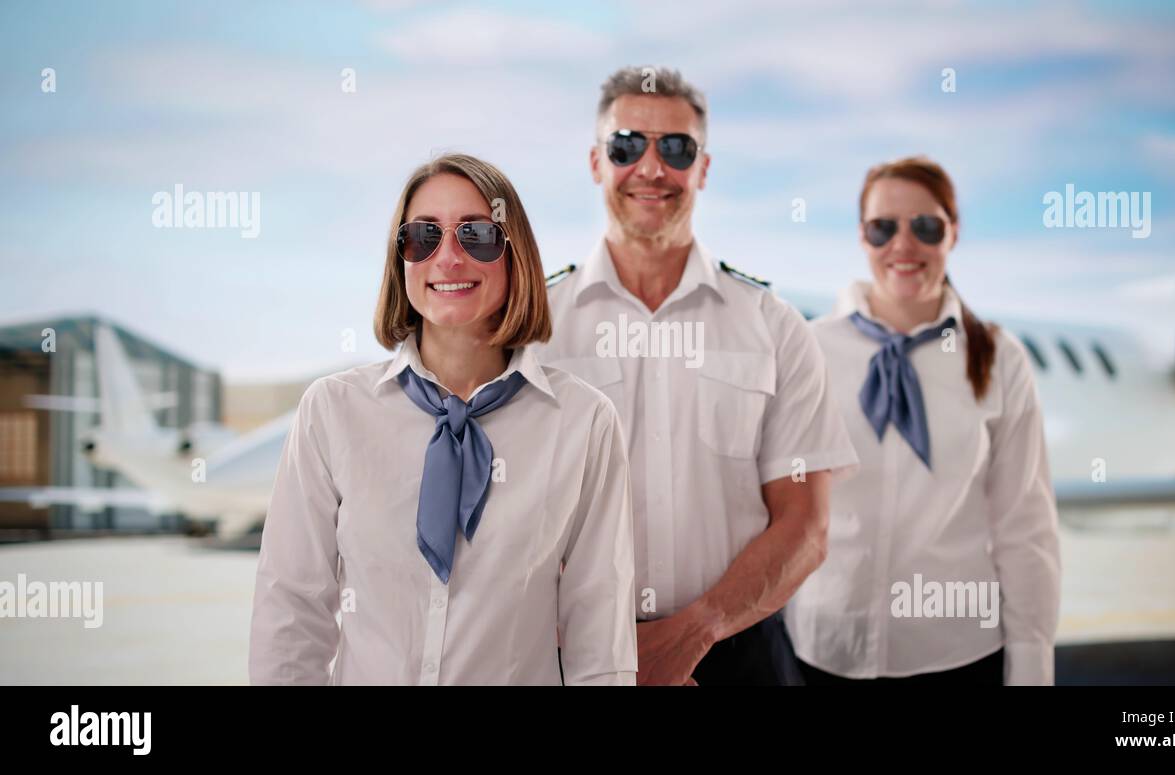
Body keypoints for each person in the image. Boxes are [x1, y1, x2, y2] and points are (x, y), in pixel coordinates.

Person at [249, 153, 637, 685]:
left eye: (476, 235)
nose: (448, 258)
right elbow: (290, 616)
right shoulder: (332, 412)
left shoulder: (584, 422)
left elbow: (600, 633)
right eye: (423, 237)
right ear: (400, 258)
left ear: (514, 254)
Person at [536, 66, 858, 685]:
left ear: (703, 169)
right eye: (627, 145)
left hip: (739, 654)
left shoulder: (773, 324)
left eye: (676, 148)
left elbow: (805, 525)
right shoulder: (532, 329)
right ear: (596, 162)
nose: (651, 168)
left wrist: (693, 632)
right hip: (565, 658)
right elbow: (497, 514)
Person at [785, 156, 1061, 685]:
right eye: (883, 227)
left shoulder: (1000, 358)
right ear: (863, 238)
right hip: (821, 652)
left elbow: (1025, 528)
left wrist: (1031, 668)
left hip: (957, 655)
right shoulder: (811, 350)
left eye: (926, 227)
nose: (903, 245)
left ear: (952, 233)